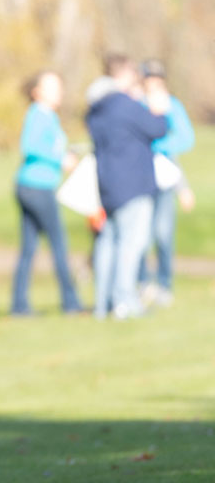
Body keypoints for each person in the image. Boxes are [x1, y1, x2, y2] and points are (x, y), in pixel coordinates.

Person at [85, 54, 168, 319]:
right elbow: (157, 128)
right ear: (123, 75)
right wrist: (158, 109)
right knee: (132, 243)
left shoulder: (96, 108)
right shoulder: (124, 104)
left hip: (107, 184)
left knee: (108, 241)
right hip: (132, 182)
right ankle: (125, 301)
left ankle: (103, 304)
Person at [10, 71, 84, 316]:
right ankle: (71, 302)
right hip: (37, 187)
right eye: (52, 87)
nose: (59, 91)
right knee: (59, 245)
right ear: (37, 91)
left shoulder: (48, 117)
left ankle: (19, 305)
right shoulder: (38, 114)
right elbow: (30, 146)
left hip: (33, 186)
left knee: (29, 248)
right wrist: (60, 159)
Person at [137, 59, 195, 307]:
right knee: (140, 234)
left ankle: (164, 284)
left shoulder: (171, 106)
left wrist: (157, 144)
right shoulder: (136, 104)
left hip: (163, 175)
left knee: (163, 233)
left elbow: (184, 139)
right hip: (137, 175)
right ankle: (142, 281)